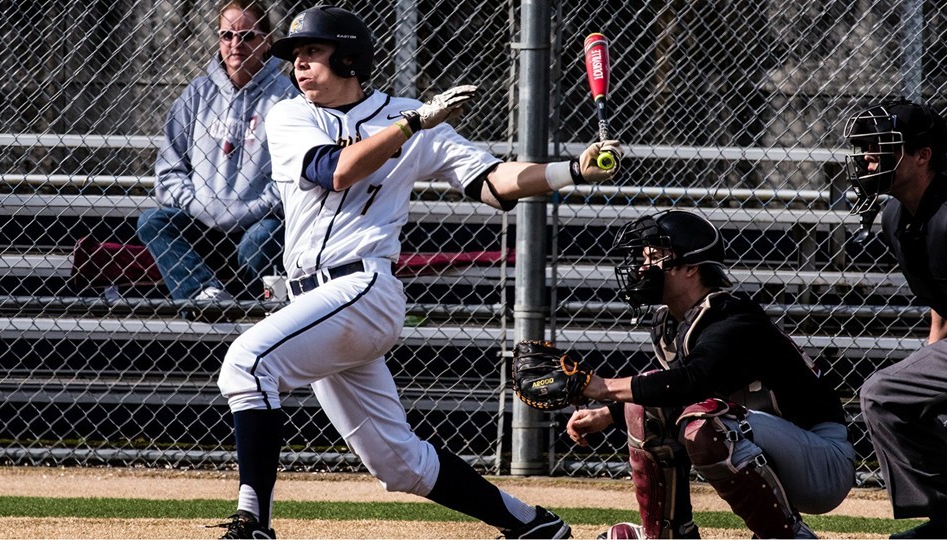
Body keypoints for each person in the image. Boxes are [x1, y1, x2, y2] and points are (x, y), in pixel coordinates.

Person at [212, 5, 623, 539]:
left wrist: (571, 170)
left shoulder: (411, 116)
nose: (300, 65)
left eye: (313, 52)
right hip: (312, 301)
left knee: (247, 365)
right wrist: (413, 123)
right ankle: (533, 526)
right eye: (297, 56)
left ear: (349, 58)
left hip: (362, 288)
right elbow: (334, 171)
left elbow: (494, 182)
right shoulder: (292, 115)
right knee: (398, 463)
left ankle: (253, 523)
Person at [564, 210, 855, 539]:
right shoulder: (673, 322)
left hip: (821, 460)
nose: (643, 267)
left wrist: (598, 386)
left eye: (656, 257)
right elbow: (672, 391)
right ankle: (670, 533)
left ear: (691, 266)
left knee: (705, 422)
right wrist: (610, 413)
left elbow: (695, 381)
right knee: (642, 407)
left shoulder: (731, 318)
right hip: (768, 443)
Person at [847, 99, 947, 539]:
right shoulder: (897, 216)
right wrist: (936, 349)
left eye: (879, 146)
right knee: (884, 395)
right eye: (864, 148)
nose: (866, 157)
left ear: (922, 155)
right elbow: (945, 290)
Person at [137, 0, 296, 307]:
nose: (236, 44)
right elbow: (169, 170)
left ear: (266, 42)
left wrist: (250, 210)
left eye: (247, 35)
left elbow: (292, 177)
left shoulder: (287, 98)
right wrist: (198, 205)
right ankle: (204, 296)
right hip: (200, 220)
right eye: (227, 35)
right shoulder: (196, 94)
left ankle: (272, 306)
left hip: (258, 222)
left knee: (264, 239)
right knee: (153, 222)